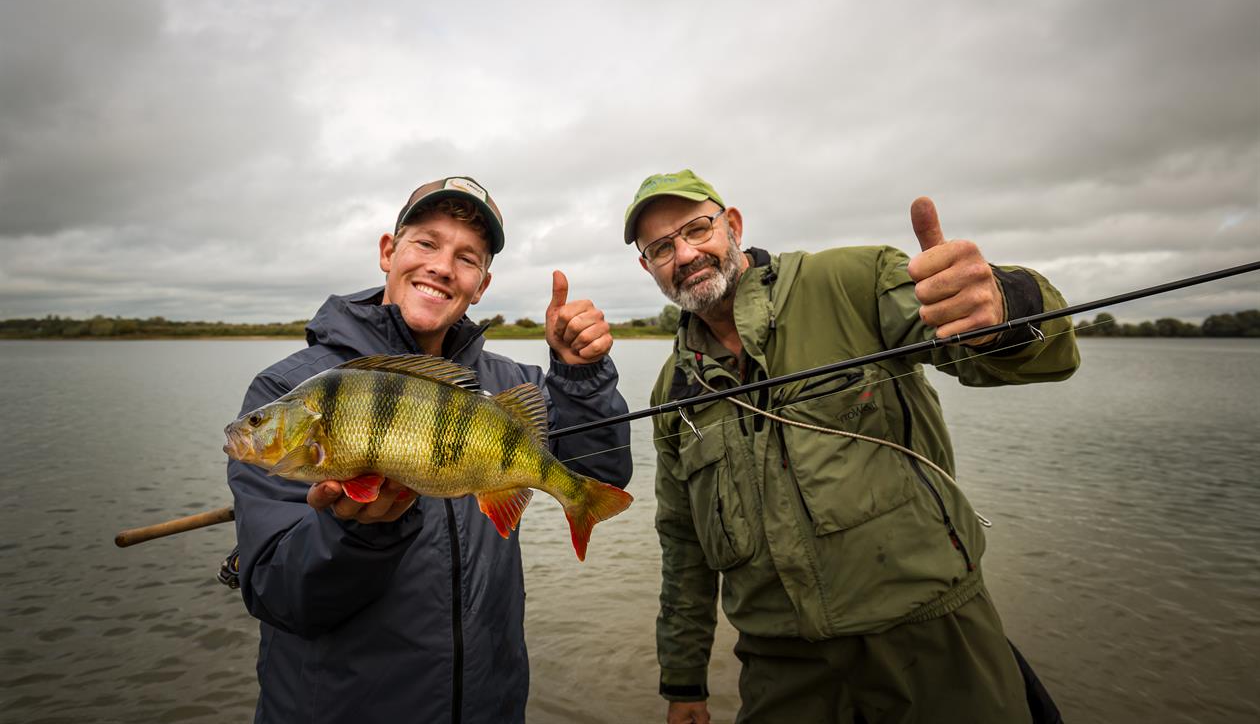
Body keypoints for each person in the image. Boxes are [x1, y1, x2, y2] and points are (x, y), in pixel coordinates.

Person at [623, 169, 1079, 724]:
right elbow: (683, 547)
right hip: (780, 666)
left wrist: (1003, 310)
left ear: (733, 225)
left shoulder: (851, 280)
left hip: (931, 637)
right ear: (648, 267)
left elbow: (1035, 355)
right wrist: (684, 682)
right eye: (662, 247)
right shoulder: (671, 389)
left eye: (697, 229)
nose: (686, 254)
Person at [227, 175, 632, 724]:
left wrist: (580, 376)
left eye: (467, 257)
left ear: (482, 284)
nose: (443, 266)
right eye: (426, 243)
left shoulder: (516, 384)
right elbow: (279, 595)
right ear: (388, 252)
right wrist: (354, 532)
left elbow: (602, 470)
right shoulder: (287, 390)